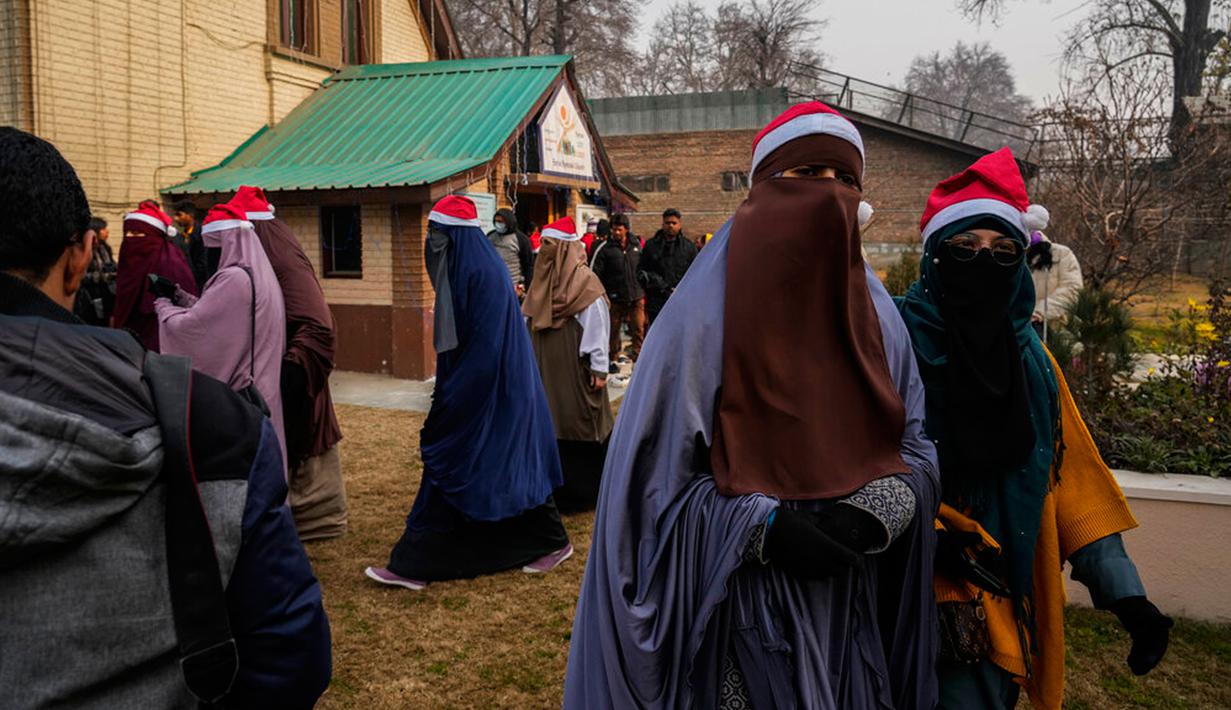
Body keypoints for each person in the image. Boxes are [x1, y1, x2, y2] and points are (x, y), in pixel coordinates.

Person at [565, 102, 941, 709]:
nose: (827, 194)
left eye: (844, 180)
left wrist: (879, 510)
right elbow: (647, 497)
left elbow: (915, 446)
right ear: (762, 189)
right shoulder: (698, 320)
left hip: (849, 609)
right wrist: (762, 527)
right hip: (742, 619)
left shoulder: (879, 320)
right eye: (808, 174)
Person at [0, 126, 330, 710]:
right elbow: (289, 655)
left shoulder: (234, 287)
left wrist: (164, 311)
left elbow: (202, 329)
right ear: (80, 256)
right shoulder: (212, 423)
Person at [897, 148, 1171, 710]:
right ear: (934, 257)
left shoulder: (1033, 363)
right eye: (964, 248)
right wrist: (933, 534)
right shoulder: (891, 341)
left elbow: (1071, 481)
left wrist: (1127, 597)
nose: (983, 263)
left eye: (1003, 252)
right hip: (898, 588)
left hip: (996, 595)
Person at [365, 196, 572, 590]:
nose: (430, 242)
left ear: (453, 237)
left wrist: (454, 397)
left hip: (493, 390)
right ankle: (549, 541)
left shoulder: (480, 274)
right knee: (506, 467)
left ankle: (416, 562)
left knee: (456, 463)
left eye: (436, 234)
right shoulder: (470, 268)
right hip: (495, 389)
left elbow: (485, 347)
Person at [229, 185, 348, 541]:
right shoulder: (266, 250)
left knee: (304, 445)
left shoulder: (277, 256)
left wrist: (290, 374)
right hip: (275, 370)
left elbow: (317, 325)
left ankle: (315, 518)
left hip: (294, 376)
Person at [153, 203, 288, 471]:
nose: (209, 256)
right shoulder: (258, 272)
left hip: (245, 402)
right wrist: (179, 295)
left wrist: (163, 305)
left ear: (225, 244)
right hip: (264, 390)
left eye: (211, 249)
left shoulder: (233, 278)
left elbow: (194, 328)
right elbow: (217, 313)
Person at [523, 216, 615, 513]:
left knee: (578, 423)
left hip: (576, 371)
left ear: (564, 249)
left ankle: (584, 493)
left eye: (550, 246)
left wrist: (599, 368)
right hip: (546, 369)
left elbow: (597, 328)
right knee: (552, 423)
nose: (543, 252)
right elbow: (528, 318)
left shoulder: (585, 284)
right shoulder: (543, 281)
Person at [113, 200, 198, 351]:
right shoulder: (130, 263)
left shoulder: (172, 264)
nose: (129, 238)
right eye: (126, 233)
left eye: (136, 233)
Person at [590, 212, 644, 368]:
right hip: (614, 298)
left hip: (636, 295)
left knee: (638, 328)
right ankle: (613, 356)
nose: (616, 232)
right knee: (613, 330)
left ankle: (639, 357)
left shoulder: (637, 246)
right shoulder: (605, 249)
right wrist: (602, 294)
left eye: (619, 229)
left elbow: (643, 267)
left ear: (626, 229)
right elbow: (595, 273)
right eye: (614, 229)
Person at [637, 207, 697, 326]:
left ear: (679, 225)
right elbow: (641, 272)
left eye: (674, 223)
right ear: (663, 224)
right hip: (657, 302)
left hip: (681, 301)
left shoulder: (689, 247)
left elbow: (696, 273)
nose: (670, 226)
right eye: (667, 223)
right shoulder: (651, 246)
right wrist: (658, 284)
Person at [1027, 227, 1083, 339]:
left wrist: (1038, 313)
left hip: (1058, 333)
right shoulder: (1007, 257)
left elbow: (1072, 290)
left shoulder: (1061, 254)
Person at [72, 216, 116, 326]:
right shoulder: (85, 250)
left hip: (106, 293)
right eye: (103, 229)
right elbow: (81, 274)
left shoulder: (105, 248)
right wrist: (102, 276)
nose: (106, 231)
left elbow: (111, 265)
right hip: (90, 296)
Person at [487, 207, 535, 297]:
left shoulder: (521, 239)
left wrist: (527, 288)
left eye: (501, 222)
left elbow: (528, 266)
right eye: (496, 221)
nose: (498, 224)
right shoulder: (490, 236)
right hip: (492, 284)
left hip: (512, 286)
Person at [171, 198, 209, 290]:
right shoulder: (182, 235)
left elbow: (202, 264)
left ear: (190, 215)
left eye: (179, 215)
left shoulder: (201, 234)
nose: (175, 219)